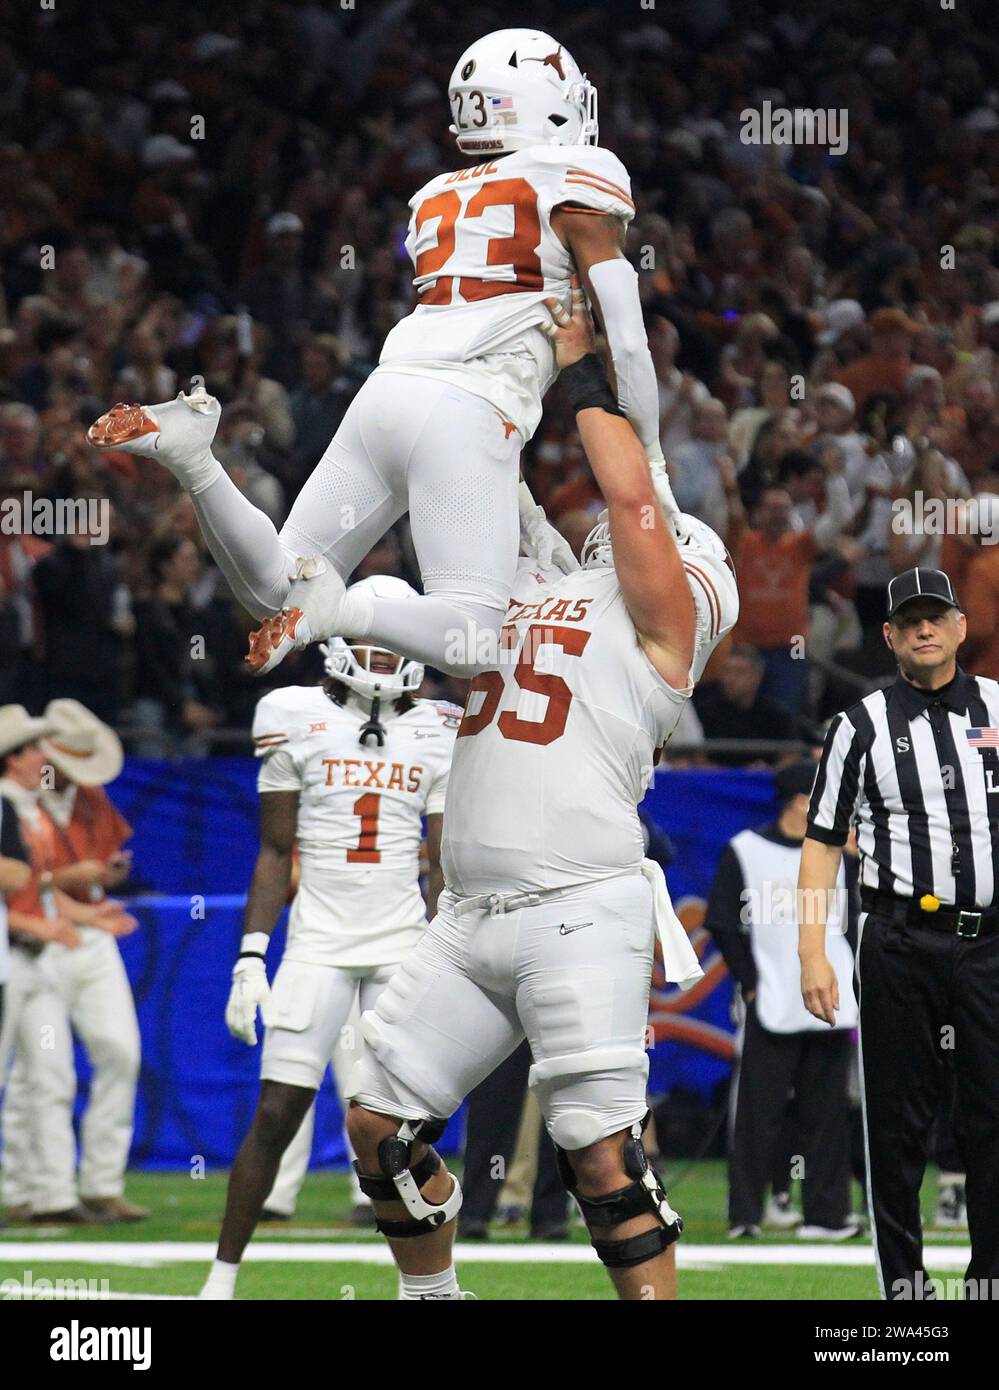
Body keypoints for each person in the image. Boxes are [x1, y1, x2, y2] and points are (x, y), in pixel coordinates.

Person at [340, 283, 738, 1301]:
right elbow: (472, 476)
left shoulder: (662, 635)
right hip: (469, 915)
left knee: (598, 1158)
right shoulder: (533, 588)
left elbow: (638, 501)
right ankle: (433, 1297)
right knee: (377, 1120)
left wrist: (579, 367)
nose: (627, 531)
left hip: (577, 904)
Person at [88, 28, 680, 685]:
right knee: (473, 644)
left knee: (275, 591)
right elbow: (624, 336)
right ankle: (347, 608)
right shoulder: (580, 175)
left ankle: (195, 459)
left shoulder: (436, 194)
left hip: (388, 391)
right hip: (469, 406)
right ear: (543, 102)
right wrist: (651, 460)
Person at [199, 585, 457, 1299]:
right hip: (318, 942)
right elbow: (275, 851)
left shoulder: (438, 727)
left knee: (404, 1127)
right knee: (278, 1111)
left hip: (403, 941)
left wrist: (445, 956)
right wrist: (251, 953)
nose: (382, 654)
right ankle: (221, 1278)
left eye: (396, 640)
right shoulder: (293, 715)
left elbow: (441, 864)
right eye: (372, 637)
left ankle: (427, 1284)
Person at [799, 567, 999, 1300]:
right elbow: (821, 839)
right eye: (907, 620)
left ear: (957, 627)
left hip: (990, 944)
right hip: (896, 940)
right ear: (887, 636)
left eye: (934, 616)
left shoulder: (997, 708)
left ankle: (988, 1284)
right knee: (894, 1126)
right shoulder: (858, 726)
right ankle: (905, 1293)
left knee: (992, 1120)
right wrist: (810, 950)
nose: (922, 629)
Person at [705, 760, 858, 1241]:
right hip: (770, 1001)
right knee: (756, 1116)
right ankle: (745, 1214)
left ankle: (827, 1216)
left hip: (833, 1003)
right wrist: (751, 983)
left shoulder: (843, 857)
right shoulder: (745, 851)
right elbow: (723, 922)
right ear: (800, 801)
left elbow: (853, 924)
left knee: (830, 1115)